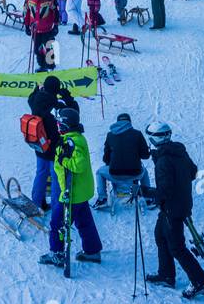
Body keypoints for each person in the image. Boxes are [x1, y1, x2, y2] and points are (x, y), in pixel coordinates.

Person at [144, 121, 204, 299]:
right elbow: (193, 171)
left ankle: (201, 282)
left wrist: (146, 192)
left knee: (177, 247)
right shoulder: (178, 152)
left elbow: (164, 191)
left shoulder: (164, 161)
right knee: (160, 235)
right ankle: (166, 274)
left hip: (173, 209)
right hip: (179, 204)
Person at [40, 107, 104, 267]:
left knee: (57, 223)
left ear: (65, 125)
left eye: (59, 123)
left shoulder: (71, 141)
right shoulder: (75, 138)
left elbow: (79, 164)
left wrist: (64, 161)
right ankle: (92, 250)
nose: (57, 125)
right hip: (80, 192)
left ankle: (57, 253)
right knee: (84, 221)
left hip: (71, 193)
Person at [25, 74, 78, 209]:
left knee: (41, 173)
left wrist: (37, 89)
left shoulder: (35, 100)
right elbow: (74, 113)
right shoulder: (56, 105)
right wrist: (67, 96)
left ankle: (36, 202)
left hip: (39, 144)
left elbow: (30, 98)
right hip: (54, 147)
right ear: (56, 89)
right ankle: (56, 206)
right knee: (56, 177)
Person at [93, 112, 151, 208]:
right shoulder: (137, 134)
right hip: (135, 173)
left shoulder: (110, 135)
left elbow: (106, 158)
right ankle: (149, 199)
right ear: (129, 122)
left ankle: (102, 198)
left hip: (114, 174)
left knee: (99, 172)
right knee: (145, 172)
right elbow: (145, 156)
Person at [23, 0, 60, 70]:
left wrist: (56, 25)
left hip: (47, 29)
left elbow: (56, 12)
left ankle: (51, 65)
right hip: (35, 29)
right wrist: (27, 26)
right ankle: (42, 65)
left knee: (49, 47)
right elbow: (26, 13)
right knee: (37, 49)